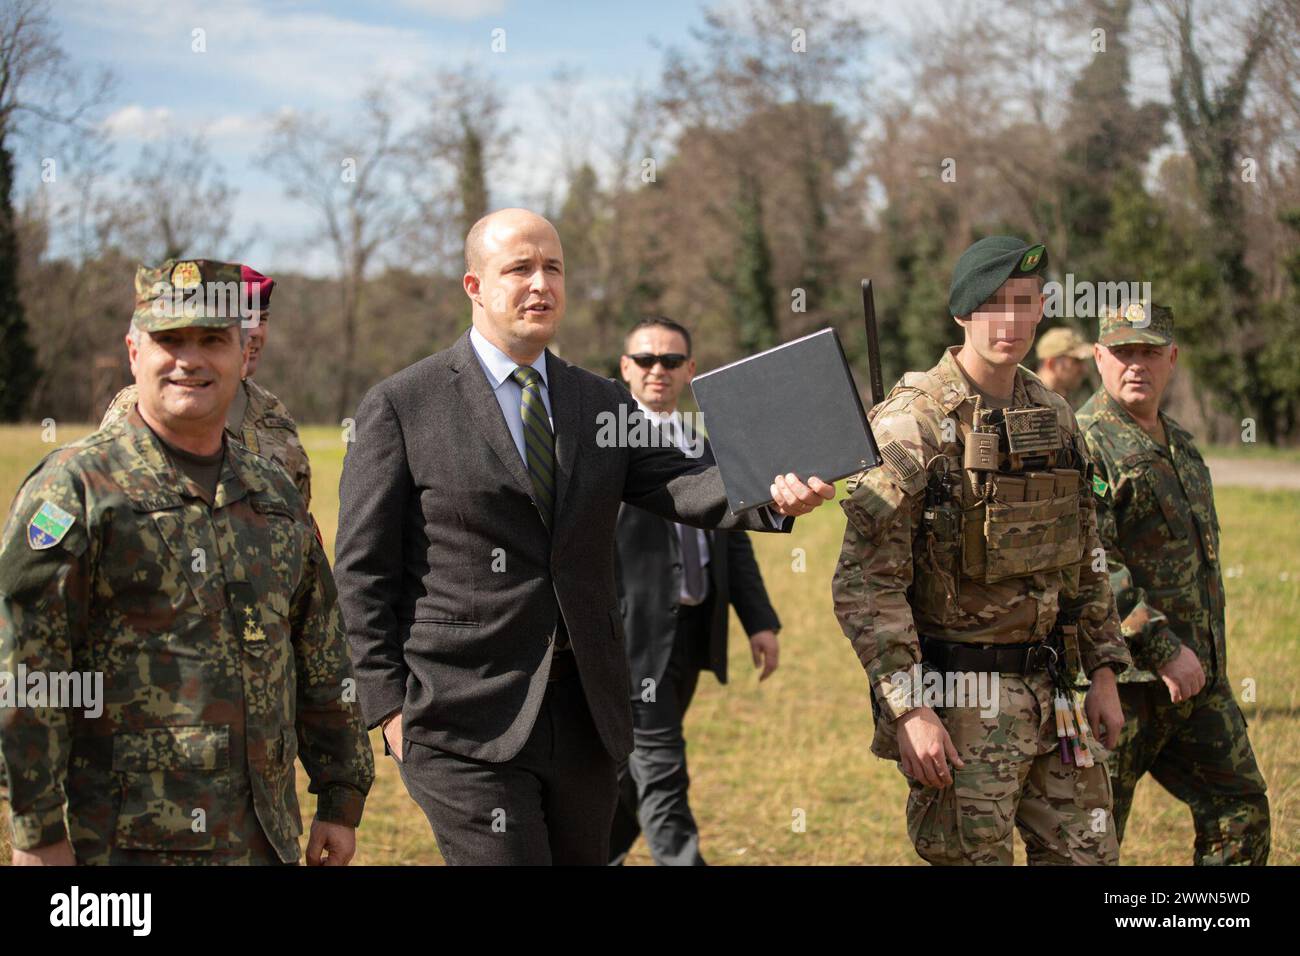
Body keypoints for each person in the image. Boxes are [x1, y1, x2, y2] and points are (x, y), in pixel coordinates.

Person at [335, 208, 833, 866]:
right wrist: (388, 711)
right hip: (463, 723)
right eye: (519, 269)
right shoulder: (405, 404)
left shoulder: (599, 402)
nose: (540, 283)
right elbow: (362, 572)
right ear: (474, 286)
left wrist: (770, 490)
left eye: (553, 268)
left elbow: (683, 482)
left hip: (588, 716)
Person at [0, 259, 373, 865]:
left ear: (243, 352)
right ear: (133, 351)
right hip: (120, 846)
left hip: (265, 840)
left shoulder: (273, 495)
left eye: (212, 341)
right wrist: (38, 836)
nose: (190, 360)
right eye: (169, 340)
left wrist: (340, 793)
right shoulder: (75, 490)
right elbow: (28, 672)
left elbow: (321, 655)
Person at [831, 235, 1132, 865]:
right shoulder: (912, 423)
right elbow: (865, 582)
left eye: (1026, 303)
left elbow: (1084, 555)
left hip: (1057, 700)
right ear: (963, 313)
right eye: (994, 305)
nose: (1013, 322)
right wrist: (910, 710)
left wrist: (1103, 670)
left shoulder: (1054, 413)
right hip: (961, 706)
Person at [1076, 303, 1269, 864]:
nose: (1137, 365)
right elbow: (1093, 564)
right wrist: (1161, 649)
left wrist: (1201, 660)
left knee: (1240, 807)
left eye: (1150, 352)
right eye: (1123, 352)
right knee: (1092, 840)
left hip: (1198, 679)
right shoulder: (1085, 443)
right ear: (1098, 358)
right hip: (1125, 686)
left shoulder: (1182, 445)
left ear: (1173, 359)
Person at [608, 316, 782, 866]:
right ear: (624, 368)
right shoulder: (605, 447)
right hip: (631, 638)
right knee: (661, 767)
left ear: (690, 369)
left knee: (641, 771)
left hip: (693, 628)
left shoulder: (707, 446)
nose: (656, 371)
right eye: (644, 360)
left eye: (670, 361)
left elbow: (733, 540)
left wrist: (759, 620)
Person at [100, 261, 313, 508]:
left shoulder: (273, 412)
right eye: (244, 318)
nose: (253, 331)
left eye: (261, 319)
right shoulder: (139, 404)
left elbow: (298, 514)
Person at [1034, 326, 1094, 407]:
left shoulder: (1061, 400)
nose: (1084, 369)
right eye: (1076, 361)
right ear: (1051, 364)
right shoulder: (1032, 404)